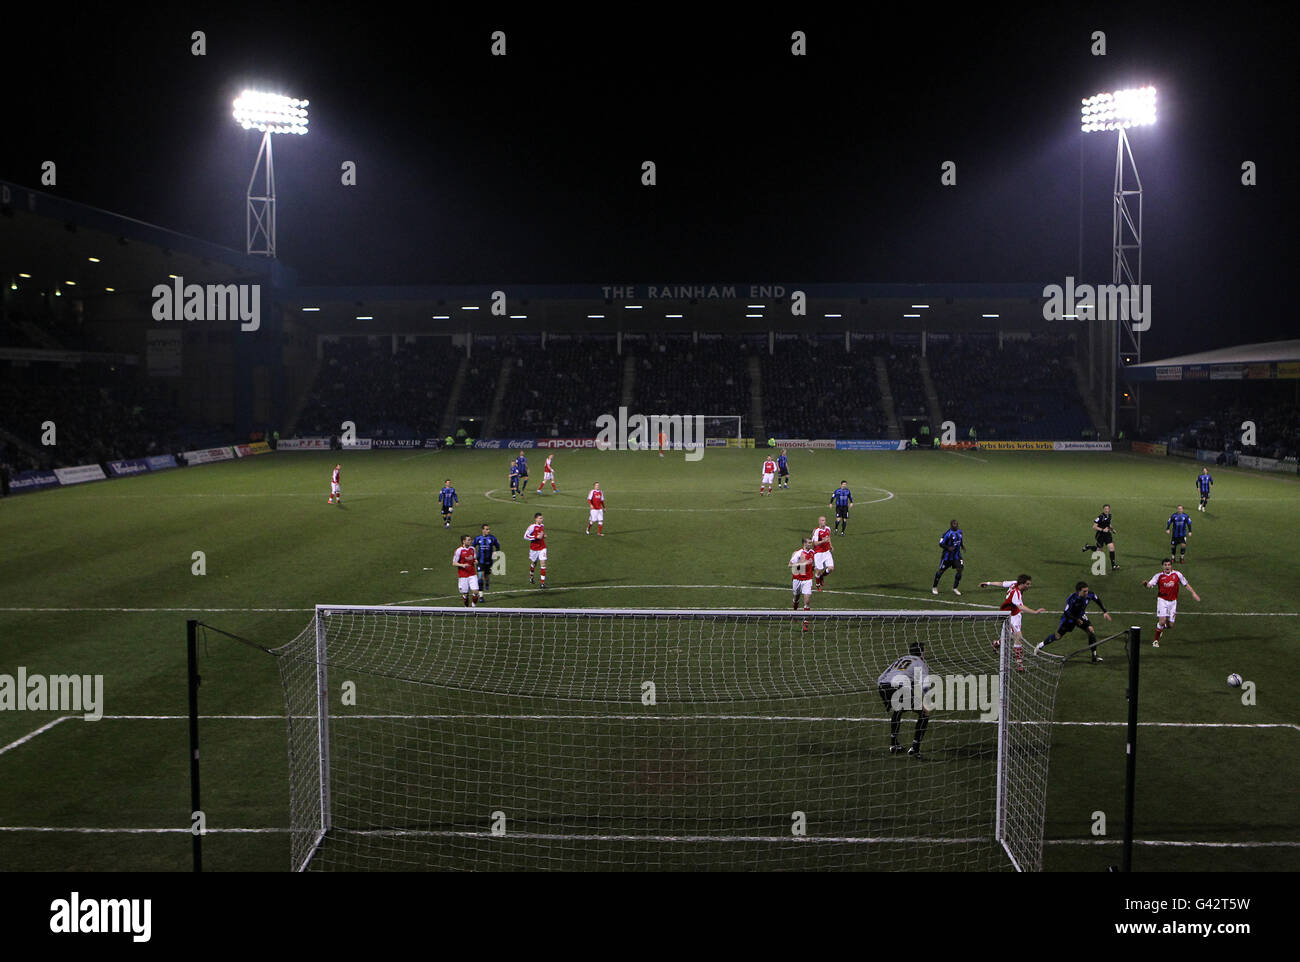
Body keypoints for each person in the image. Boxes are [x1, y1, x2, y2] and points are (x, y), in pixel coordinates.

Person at [877, 642, 933, 759]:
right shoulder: (920, 662)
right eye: (924, 650)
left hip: (883, 686)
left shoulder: (901, 658)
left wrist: (885, 699)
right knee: (924, 712)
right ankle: (915, 749)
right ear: (922, 652)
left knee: (899, 709)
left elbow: (880, 677)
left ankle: (894, 744)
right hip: (899, 687)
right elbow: (924, 684)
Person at [979, 574, 1045, 672]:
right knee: (1018, 637)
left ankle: (997, 643)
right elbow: (1021, 607)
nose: (1029, 586)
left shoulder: (1015, 583)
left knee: (1011, 636)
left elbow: (1002, 584)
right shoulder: (1016, 593)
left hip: (1015, 614)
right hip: (1009, 615)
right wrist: (1035, 612)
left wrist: (988, 583)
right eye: (1027, 584)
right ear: (1022, 584)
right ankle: (1020, 664)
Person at [1036, 580, 1110, 663]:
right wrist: (1076, 620)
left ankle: (1094, 656)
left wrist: (1105, 611)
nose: (1086, 593)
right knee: (1057, 636)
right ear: (1079, 591)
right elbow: (1066, 612)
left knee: (1091, 631)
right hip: (1069, 619)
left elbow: (1097, 600)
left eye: (1087, 590)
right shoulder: (1072, 599)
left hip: (1081, 616)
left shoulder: (1090, 594)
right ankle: (1040, 645)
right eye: (1084, 591)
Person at [1143, 558, 1201, 647]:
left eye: (1168, 565)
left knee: (1170, 625)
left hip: (1173, 602)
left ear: (1171, 566)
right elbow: (1150, 585)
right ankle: (1155, 641)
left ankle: (1160, 628)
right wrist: (1146, 584)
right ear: (1162, 566)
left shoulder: (1177, 574)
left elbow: (1185, 584)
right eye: (1165, 565)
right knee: (1162, 621)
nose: (1167, 567)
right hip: (1162, 600)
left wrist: (1193, 593)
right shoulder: (1158, 576)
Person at [931, 520, 965, 595]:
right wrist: (948, 547)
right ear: (950, 525)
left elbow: (960, 540)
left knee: (960, 569)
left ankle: (955, 588)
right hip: (947, 557)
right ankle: (934, 587)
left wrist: (962, 546)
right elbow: (940, 544)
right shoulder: (947, 534)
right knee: (941, 571)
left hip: (957, 556)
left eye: (956, 524)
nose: (955, 525)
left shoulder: (960, 532)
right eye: (954, 524)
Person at [1083, 503, 1119, 569]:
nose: (1106, 510)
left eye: (1108, 509)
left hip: (1107, 534)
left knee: (1112, 548)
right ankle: (1088, 547)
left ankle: (1113, 565)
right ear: (1103, 509)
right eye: (1105, 509)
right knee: (1100, 550)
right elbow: (1094, 527)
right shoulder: (1100, 517)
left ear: (1109, 509)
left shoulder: (1110, 516)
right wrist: (1102, 530)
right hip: (1100, 535)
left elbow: (1109, 524)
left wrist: (1112, 529)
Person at [452, 535, 481, 607]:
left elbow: (474, 559)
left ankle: (474, 606)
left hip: (472, 574)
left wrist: (476, 561)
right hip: (463, 575)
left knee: (476, 591)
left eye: (470, 539)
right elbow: (454, 563)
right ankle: (466, 608)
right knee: (465, 594)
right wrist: (462, 565)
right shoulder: (459, 550)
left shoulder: (472, 549)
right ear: (463, 541)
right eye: (468, 540)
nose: (470, 541)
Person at [789, 537, 816, 614]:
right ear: (804, 544)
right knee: (796, 598)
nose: (811, 544)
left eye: (811, 542)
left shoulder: (812, 552)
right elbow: (790, 565)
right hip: (797, 578)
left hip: (808, 579)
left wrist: (814, 568)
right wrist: (803, 564)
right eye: (809, 543)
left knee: (807, 602)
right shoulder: (798, 553)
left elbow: (811, 565)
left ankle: (805, 622)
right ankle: (795, 611)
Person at [473, 524, 501, 594]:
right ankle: (481, 596)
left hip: (489, 561)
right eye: (487, 529)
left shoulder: (492, 538)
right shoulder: (478, 538)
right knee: (480, 578)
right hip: (480, 561)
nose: (489, 531)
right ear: (483, 530)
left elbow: (498, 547)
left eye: (489, 529)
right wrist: (474, 558)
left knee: (486, 576)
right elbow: (472, 548)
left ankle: (487, 583)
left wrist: (496, 553)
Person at [811, 515, 834, 591]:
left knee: (831, 568)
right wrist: (823, 541)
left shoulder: (828, 529)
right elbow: (814, 543)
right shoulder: (817, 531)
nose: (824, 522)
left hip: (826, 551)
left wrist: (830, 545)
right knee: (819, 570)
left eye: (824, 520)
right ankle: (817, 585)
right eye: (822, 520)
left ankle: (822, 577)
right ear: (819, 522)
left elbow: (828, 537)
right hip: (818, 553)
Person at [524, 512, 547, 587]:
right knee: (534, 563)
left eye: (542, 518)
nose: (542, 519)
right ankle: (531, 577)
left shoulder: (542, 525)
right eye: (540, 518)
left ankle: (542, 583)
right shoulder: (532, 527)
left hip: (542, 547)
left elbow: (541, 535)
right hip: (534, 548)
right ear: (536, 519)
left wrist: (544, 536)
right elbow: (525, 536)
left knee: (543, 564)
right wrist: (536, 537)